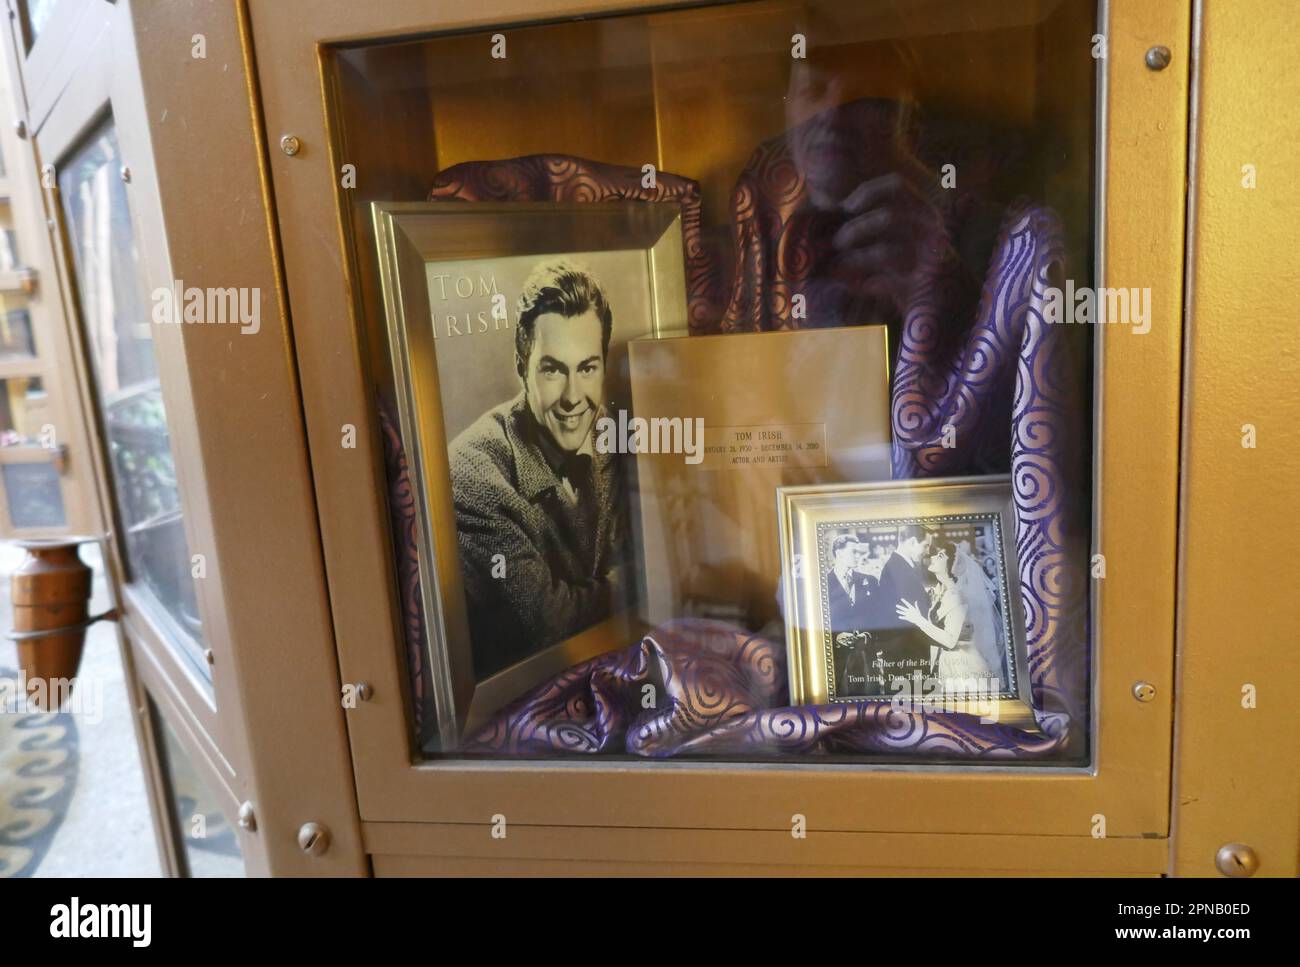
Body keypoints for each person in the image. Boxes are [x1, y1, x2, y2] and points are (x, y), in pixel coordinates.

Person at [449, 261, 629, 679]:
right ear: (521, 367)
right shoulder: (472, 473)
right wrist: (629, 583)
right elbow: (544, 624)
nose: (572, 397)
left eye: (587, 368)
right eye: (552, 369)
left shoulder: (615, 433)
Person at [895, 540, 994, 686]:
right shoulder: (943, 591)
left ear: (950, 567)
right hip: (947, 663)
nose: (933, 557)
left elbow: (950, 640)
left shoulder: (957, 596)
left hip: (962, 667)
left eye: (940, 556)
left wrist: (918, 620)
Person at [874, 524, 936, 678]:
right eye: (926, 546)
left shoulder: (901, 565)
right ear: (912, 542)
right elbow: (914, 611)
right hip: (908, 650)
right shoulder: (899, 569)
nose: (927, 552)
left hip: (906, 646)